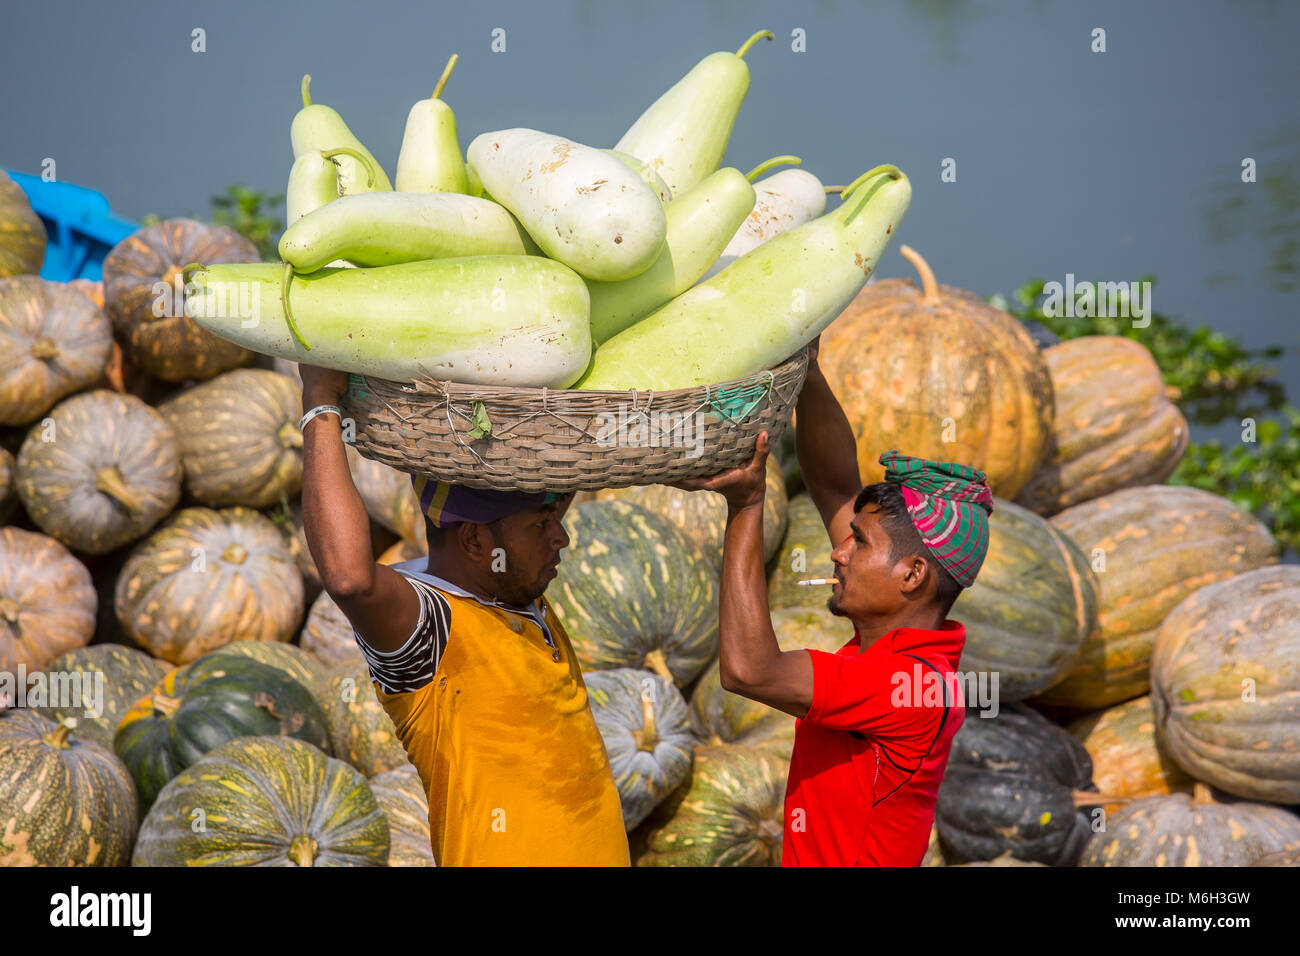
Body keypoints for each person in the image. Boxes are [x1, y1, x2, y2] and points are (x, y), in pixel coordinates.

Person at [673, 336, 994, 866]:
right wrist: (809, 371)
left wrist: (747, 505)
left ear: (913, 575)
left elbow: (749, 671)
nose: (838, 552)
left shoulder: (906, 688)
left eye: (860, 543)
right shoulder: (903, 660)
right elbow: (834, 484)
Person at [297, 364, 629, 867]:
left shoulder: (518, 591)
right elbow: (349, 580)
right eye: (542, 524)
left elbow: (562, 479)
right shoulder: (433, 627)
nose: (561, 537)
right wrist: (320, 399)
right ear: (475, 540)